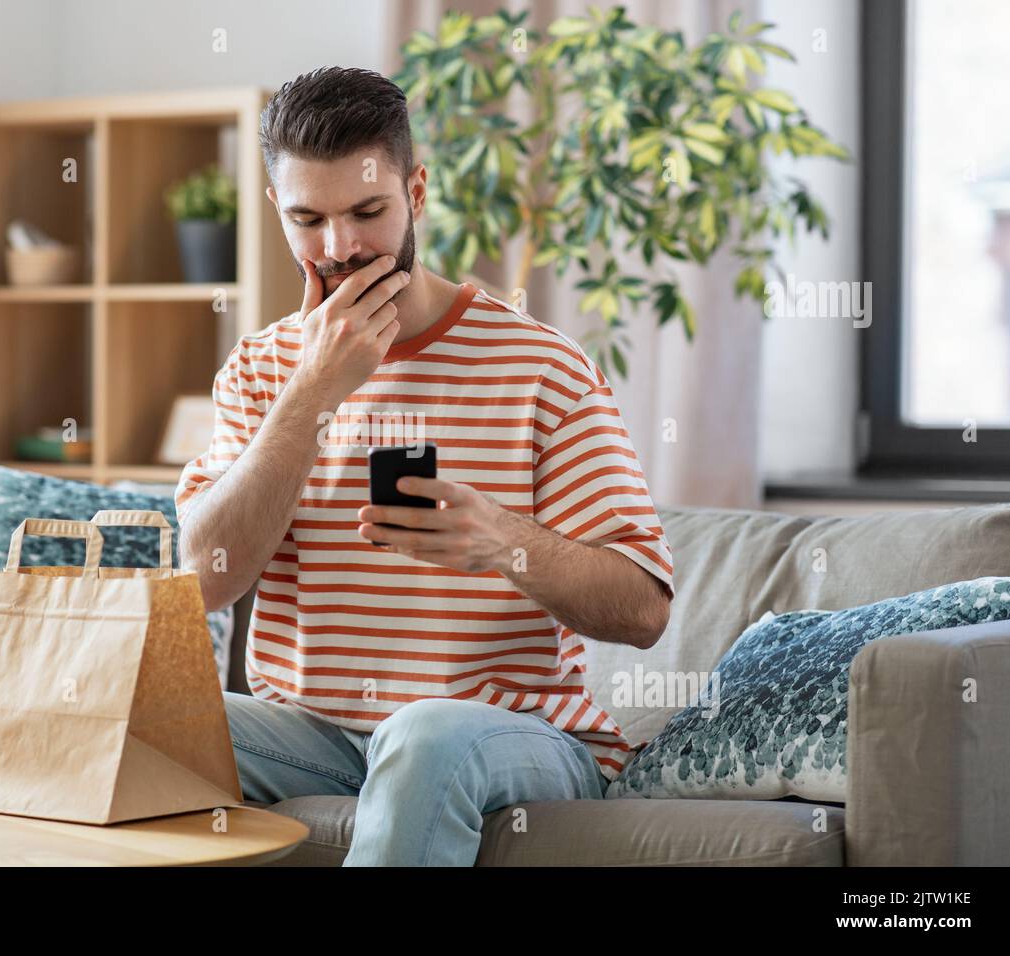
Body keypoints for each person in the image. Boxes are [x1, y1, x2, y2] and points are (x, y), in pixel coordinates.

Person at [175, 66, 675, 866]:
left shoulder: (542, 369)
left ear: (416, 191)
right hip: (316, 733)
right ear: (275, 209)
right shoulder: (262, 369)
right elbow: (203, 576)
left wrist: (501, 541)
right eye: (309, 219)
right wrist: (309, 394)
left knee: (424, 729)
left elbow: (643, 611)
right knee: (136, 708)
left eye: (367, 212)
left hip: (509, 736)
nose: (340, 249)